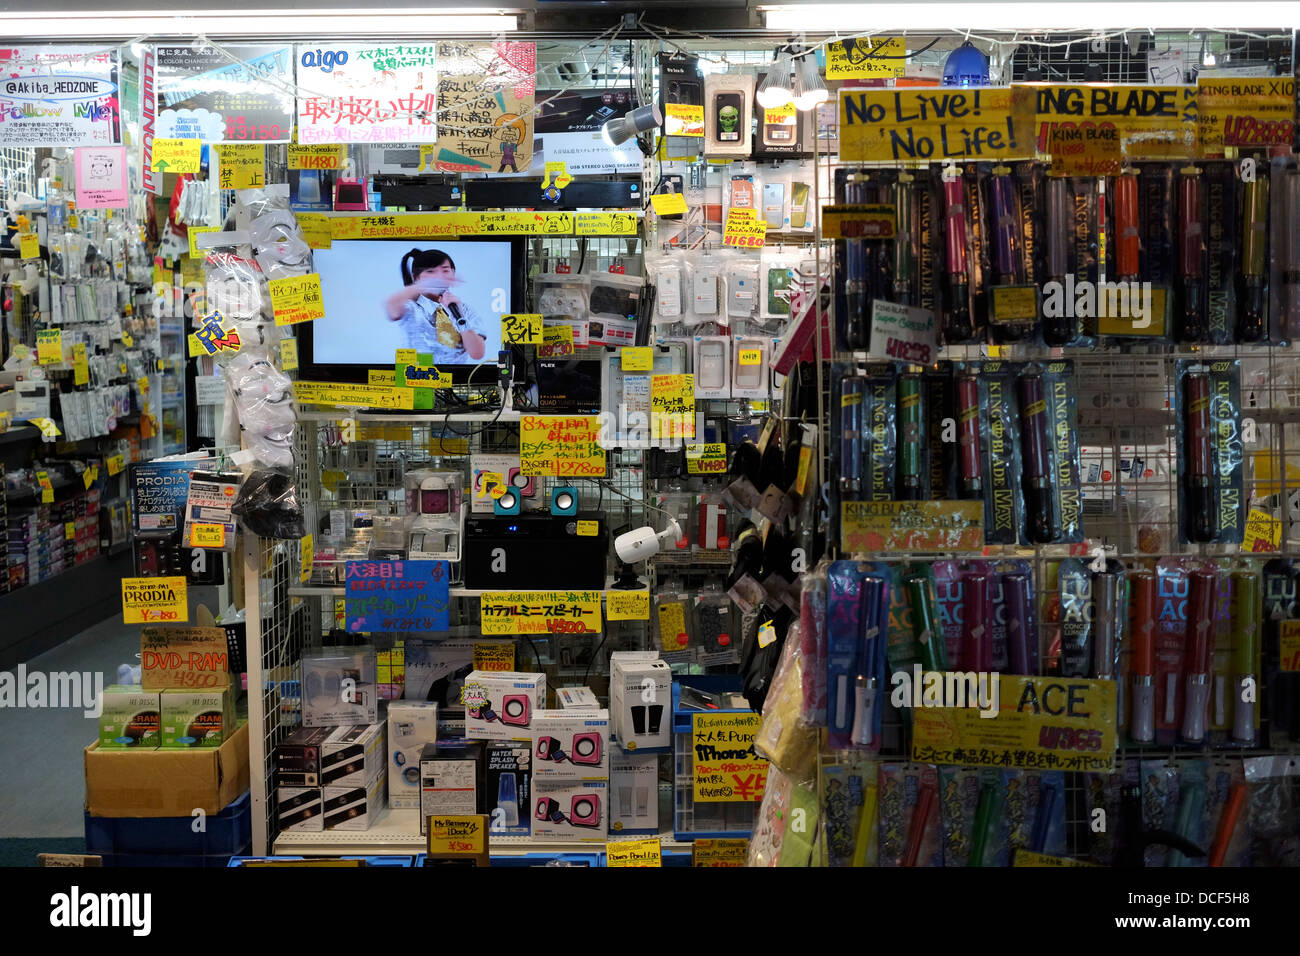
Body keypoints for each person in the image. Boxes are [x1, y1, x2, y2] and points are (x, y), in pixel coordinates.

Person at [385, 248, 488, 363]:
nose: (439, 276)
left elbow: (477, 354)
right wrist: (423, 285)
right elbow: (391, 306)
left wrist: (460, 318)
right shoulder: (410, 306)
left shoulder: (464, 309)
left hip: (456, 373)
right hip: (415, 372)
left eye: (445, 271)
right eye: (430, 271)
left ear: (453, 274)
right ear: (416, 277)